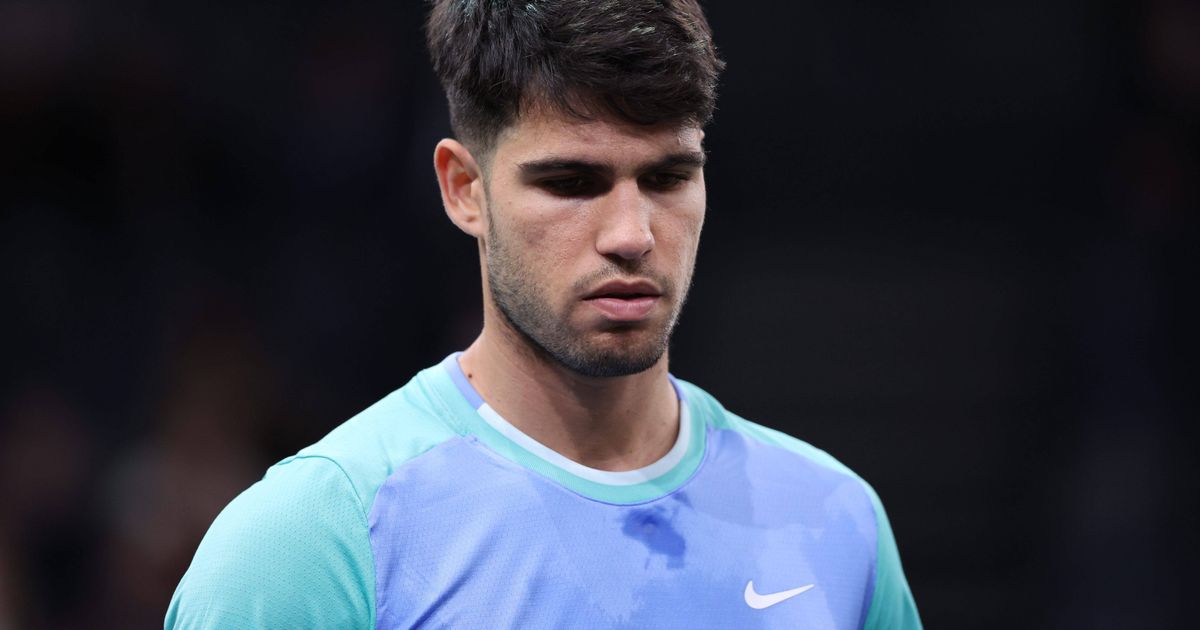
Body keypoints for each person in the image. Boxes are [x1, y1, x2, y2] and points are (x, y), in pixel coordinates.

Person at [166, 1, 922, 628]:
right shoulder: (313, 543)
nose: (631, 234)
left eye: (666, 177)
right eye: (571, 182)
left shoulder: (836, 522)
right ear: (464, 189)